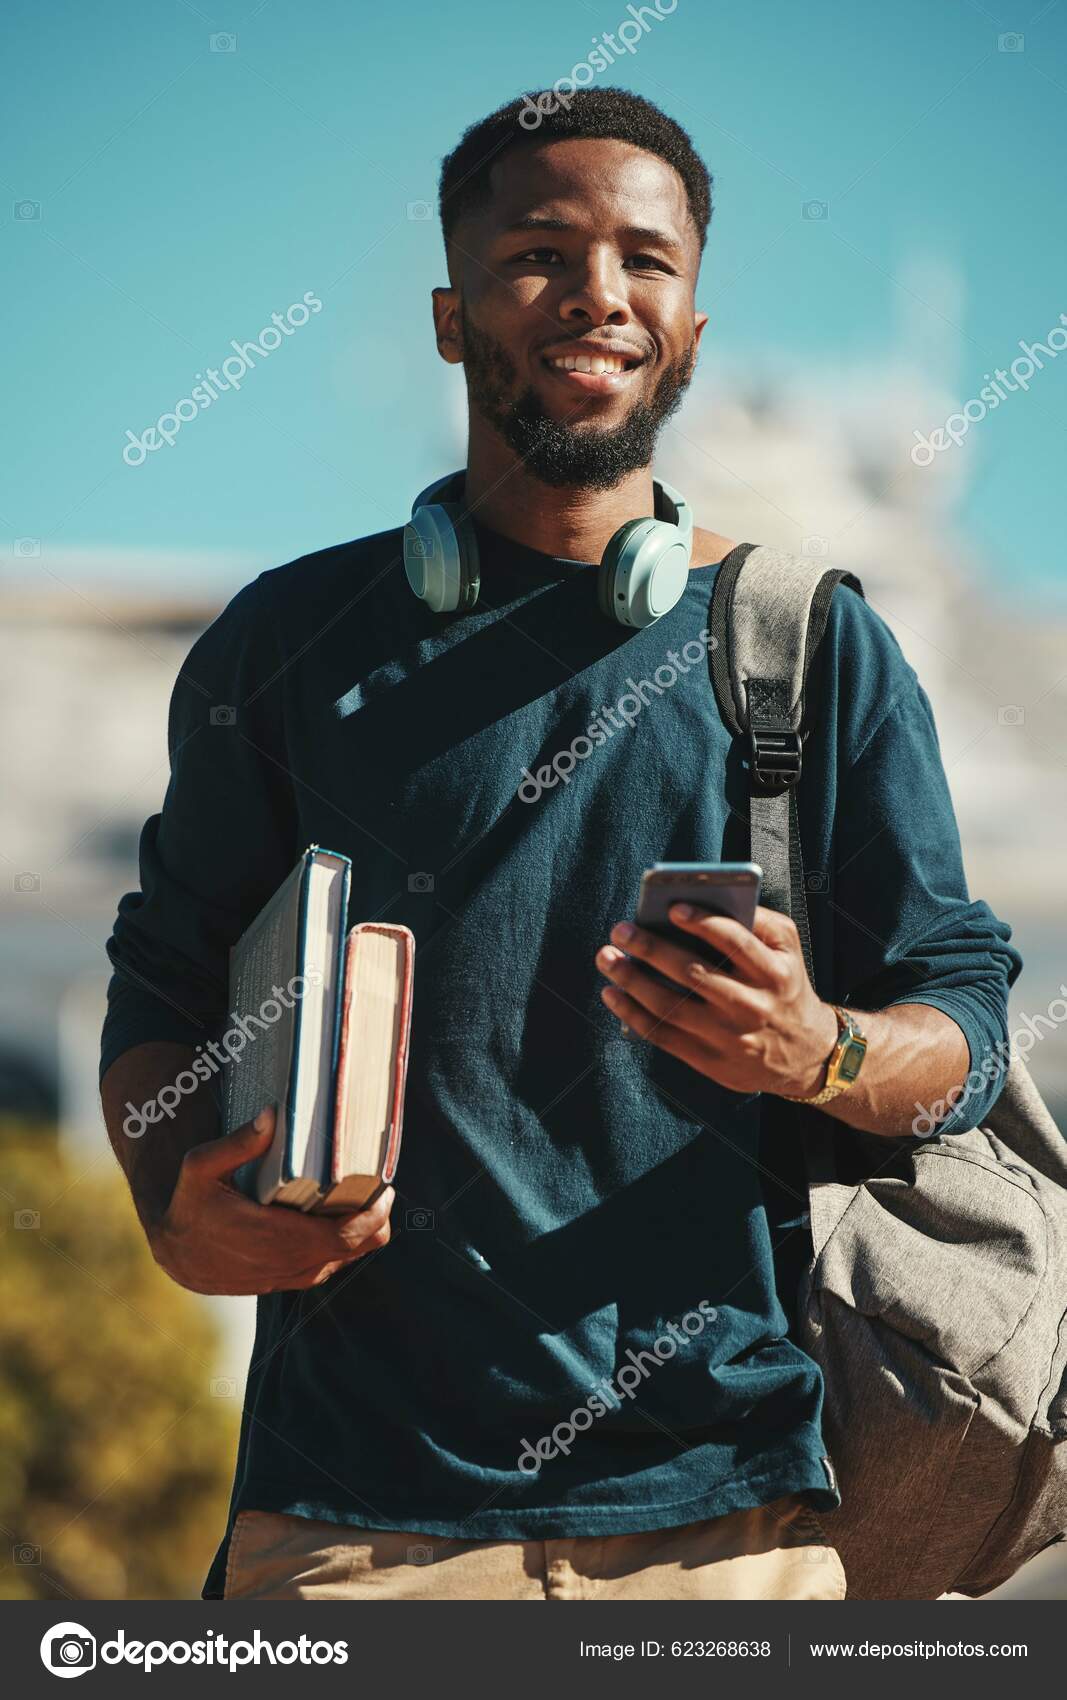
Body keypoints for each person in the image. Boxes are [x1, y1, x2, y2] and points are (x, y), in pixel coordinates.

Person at [100, 89, 1019, 1602]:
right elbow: (162, 988)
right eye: (542, 253)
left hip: (733, 1529)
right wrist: (173, 1208)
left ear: (694, 331)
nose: (601, 292)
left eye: (647, 261)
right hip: (352, 1529)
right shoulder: (286, 641)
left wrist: (819, 1051)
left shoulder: (813, 648)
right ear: (455, 320)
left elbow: (968, 1020)